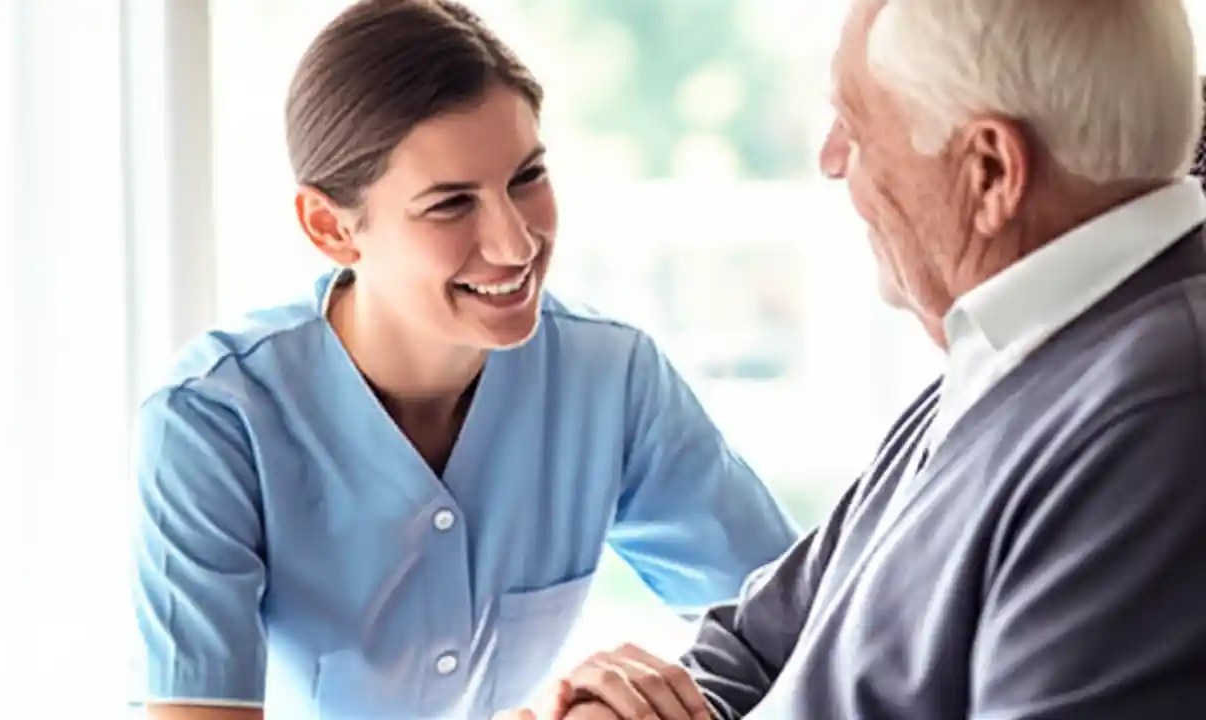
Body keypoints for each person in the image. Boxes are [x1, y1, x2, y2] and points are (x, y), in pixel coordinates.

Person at [509, 0, 1206, 718]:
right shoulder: (1014, 351)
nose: (832, 158)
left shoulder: (1160, 418)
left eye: (858, 125)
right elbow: (760, 648)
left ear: (991, 171)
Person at [130, 1, 799, 718]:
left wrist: (630, 701)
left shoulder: (612, 380)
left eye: (527, 178)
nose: (516, 245)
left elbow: (803, 629)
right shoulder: (212, 422)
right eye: (451, 205)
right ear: (330, 227)